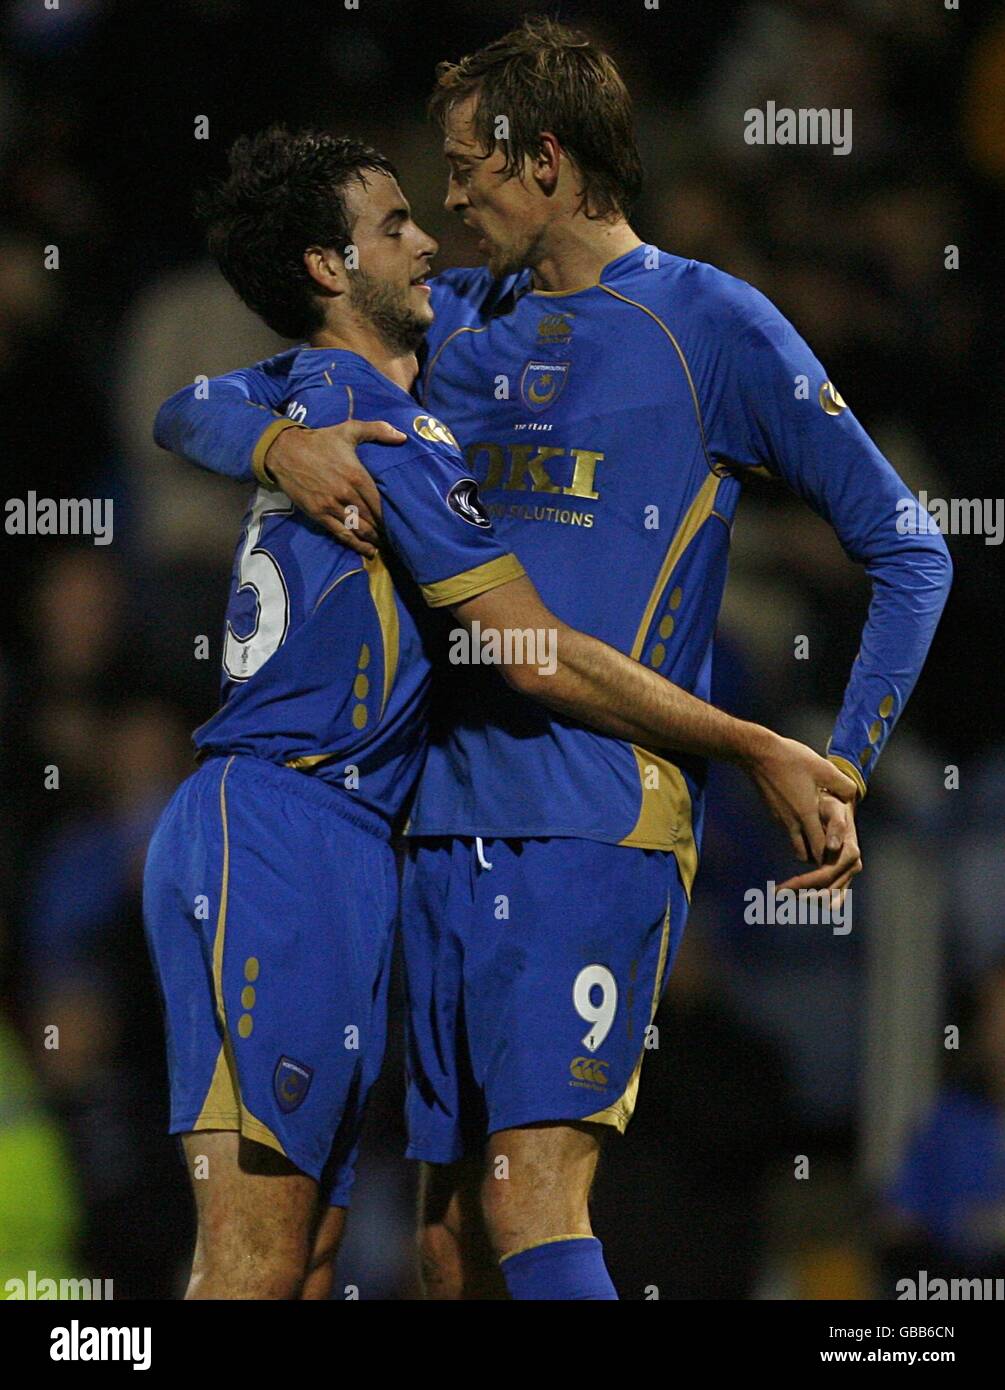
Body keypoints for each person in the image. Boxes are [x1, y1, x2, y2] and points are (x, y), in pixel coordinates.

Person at [153, 19, 950, 1300]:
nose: (452, 194)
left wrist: (839, 762)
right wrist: (273, 450)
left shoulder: (715, 325)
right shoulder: (452, 320)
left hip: (593, 815)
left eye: (468, 164)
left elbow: (915, 552)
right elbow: (195, 402)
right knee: (445, 1245)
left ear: (547, 160)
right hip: (430, 828)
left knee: (531, 1195)